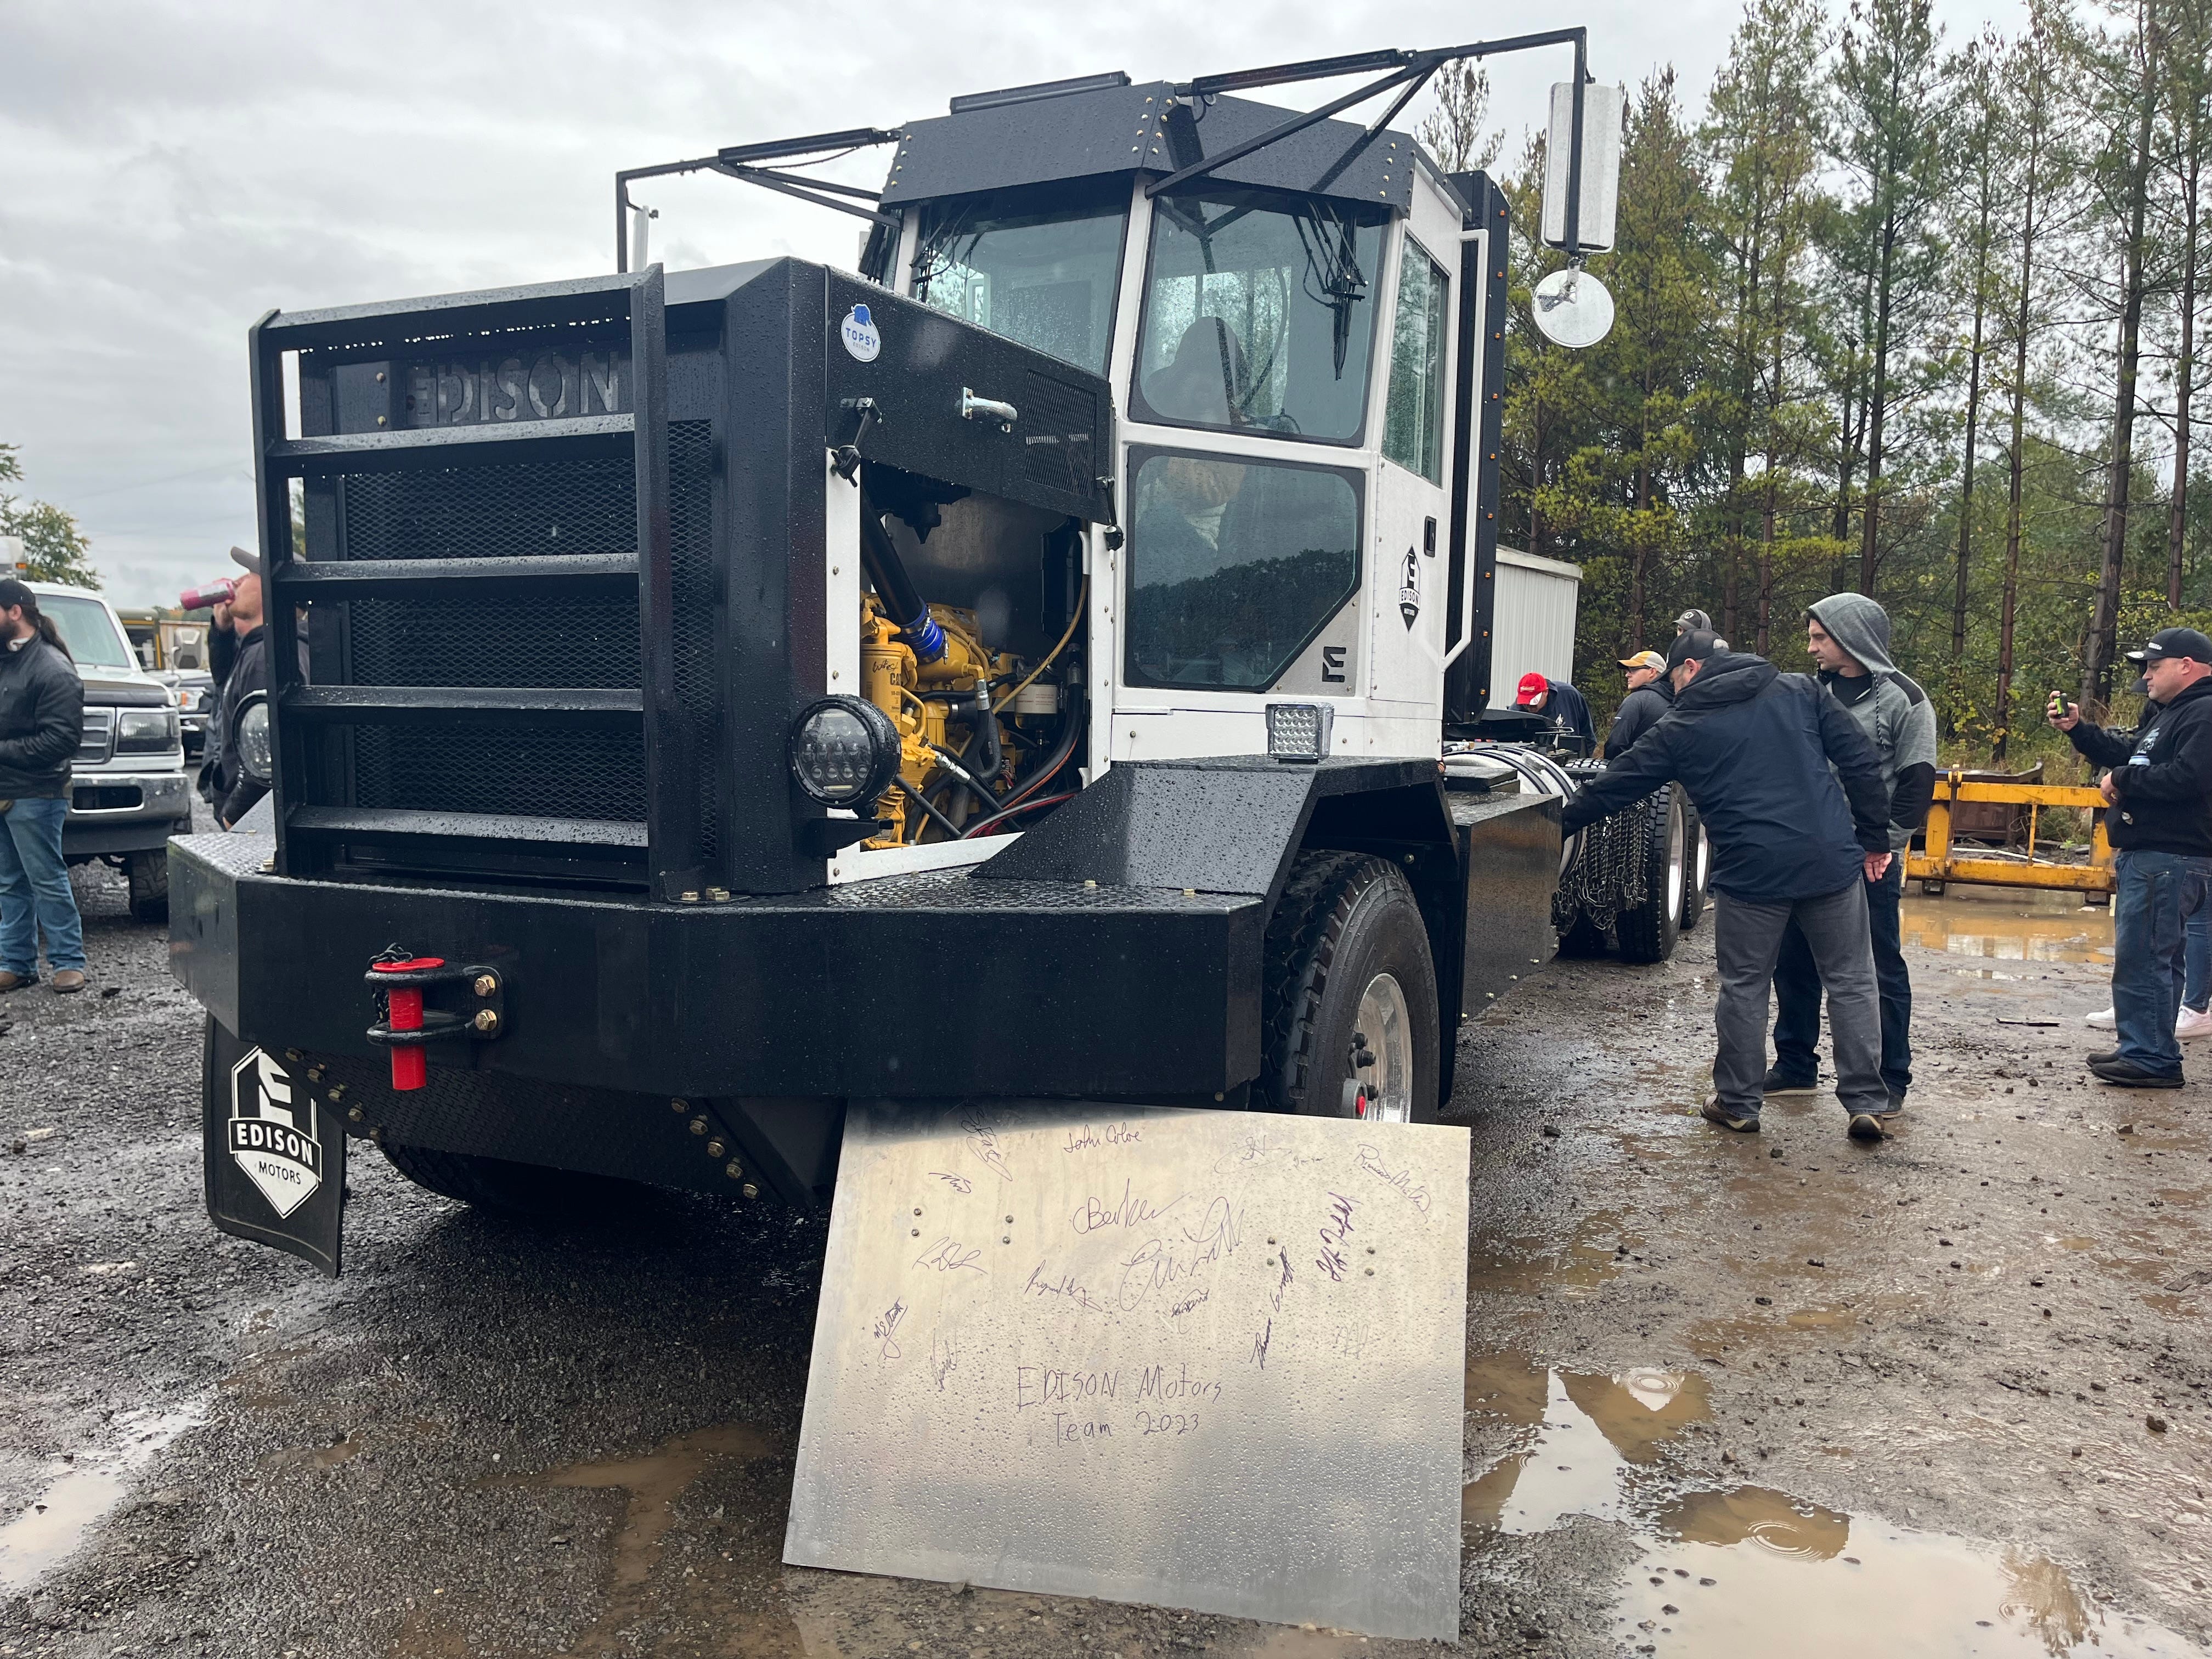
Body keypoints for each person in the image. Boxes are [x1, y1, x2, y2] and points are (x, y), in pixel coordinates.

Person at [1563, 630, 1897, 1139]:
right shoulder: (1801, 691)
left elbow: (1616, 785)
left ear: (1691, 668)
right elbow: (1860, 760)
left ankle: (1739, 1105)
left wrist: (1553, 826)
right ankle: (1867, 1103)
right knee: (1851, 979)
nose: (1673, 691)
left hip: (1751, 873)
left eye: (1674, 679)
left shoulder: (1680, 726)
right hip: (1828, 860)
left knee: (1745, 986)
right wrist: (1873, 838)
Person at [1765, 596, 1939, 1112]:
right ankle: (1796, 1063)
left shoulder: (1906, 699)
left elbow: (1916, 782)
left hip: (1869, 856)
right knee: (1793, 962)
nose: (1811, 647)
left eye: (1820, 638)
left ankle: (1889, 1077)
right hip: (1806, 851)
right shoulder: (1807, 692)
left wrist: (1882, 846)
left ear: (1852, 636)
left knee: (1876, 967)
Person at [2049, 627, 2212, 1087]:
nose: (2146, 676)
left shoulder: (2203, 712)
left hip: (2168, 855)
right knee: (2155, 959)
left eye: (2154, 666)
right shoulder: (2172, 713)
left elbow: (2189, 778)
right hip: (2158, 855)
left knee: (2145, 959)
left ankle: (2151, 1058)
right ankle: (2147, 1049)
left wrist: (2120, 779)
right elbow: (2132, 753)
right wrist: (2079, 730)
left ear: (2187, 665)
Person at [0, 579, 88, 994]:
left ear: (14, 612)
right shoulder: (7, 659)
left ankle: (69, 962)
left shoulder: (52, 668)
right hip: (6, 788)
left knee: (46, 878)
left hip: (37, 792)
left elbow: (61, 741)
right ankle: (16, 964)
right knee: (9, 882)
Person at [210, 573, 272, 829]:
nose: (234, 583)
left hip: (254, 817)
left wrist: (235, 814)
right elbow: (222, 679)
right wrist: (221, 632)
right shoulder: (255, 648)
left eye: (247, 576)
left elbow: (265, 753)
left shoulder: (263, 658)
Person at [1604, 650, 1673, 759]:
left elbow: (1615, 744)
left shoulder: (1636, 700)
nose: (1627, 675)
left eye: (1633, 670)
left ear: (1652, 671)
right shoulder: (1677, 701)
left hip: (1633, 773)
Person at [1516, 670, 1595, 754]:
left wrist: (1581, 763)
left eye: (1533, 701)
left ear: (1545, 692)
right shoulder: (1517, 711)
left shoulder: (1569, 696)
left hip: (1568, 760)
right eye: (1525, 701)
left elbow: (1588, 737)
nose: (1529, 706)